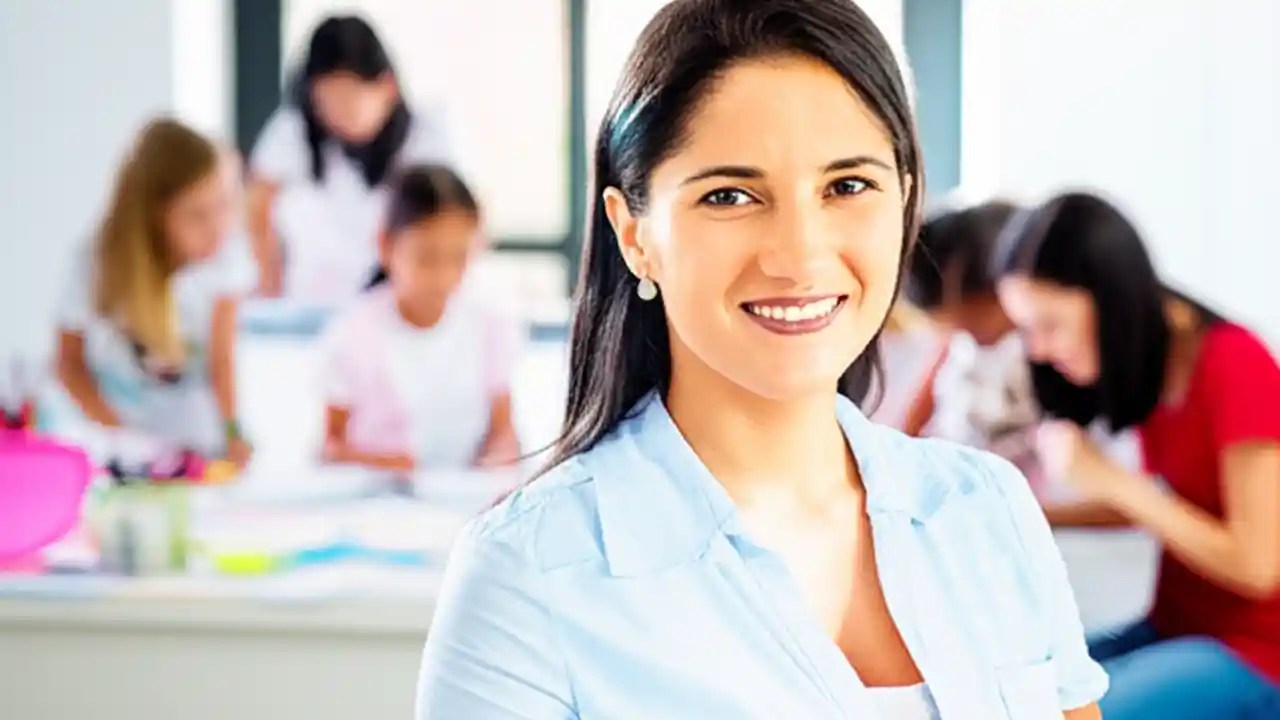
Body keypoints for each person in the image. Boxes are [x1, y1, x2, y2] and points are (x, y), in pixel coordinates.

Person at [416, 1, 1106, 717]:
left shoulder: (987, 509)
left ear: (904, 202)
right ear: (634, 234)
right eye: (731, 195)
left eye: (847, 186)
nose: (799, 255)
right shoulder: (527, 577)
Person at [995, 191, 1280, 718]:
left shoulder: (1235, 363)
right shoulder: (1154, 367)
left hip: (1258, 652)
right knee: (1009, 692)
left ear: (1109, 301)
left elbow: (1258, 562)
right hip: (1175, 628)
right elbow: (1173, 509)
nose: (1036, 350)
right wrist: (1035, 512)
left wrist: (1109, 480)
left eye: (1049, 325)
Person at [55, 119, 252, 463]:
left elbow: (221, 361)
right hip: (112, 440)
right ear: (155, 215)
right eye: (197, 215)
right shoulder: (95, 262)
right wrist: (120, 434)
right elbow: (69, 363)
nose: (216, 229)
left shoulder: (226, 259)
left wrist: (233, 432)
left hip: (191, 440)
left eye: (223, 206)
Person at [318, 165, 521, 472]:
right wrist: (386, 464)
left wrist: (499, 457)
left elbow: (503, 432)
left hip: (466, 502)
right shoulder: (354, 334)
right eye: (426, 258)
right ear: (385, 246)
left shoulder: (491, 325)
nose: (444, 276)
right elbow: (331, 448)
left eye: (459, 257)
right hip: (379, 504)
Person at [247, 15, 453, 303]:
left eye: (349, 98)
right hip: (306, 306)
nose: (337, 114)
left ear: (387, 87)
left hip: (396, 306)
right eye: (325, 102)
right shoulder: (292, 132)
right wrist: (269, 286)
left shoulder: (426, 138)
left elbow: (449, 222)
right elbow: (255, 212)